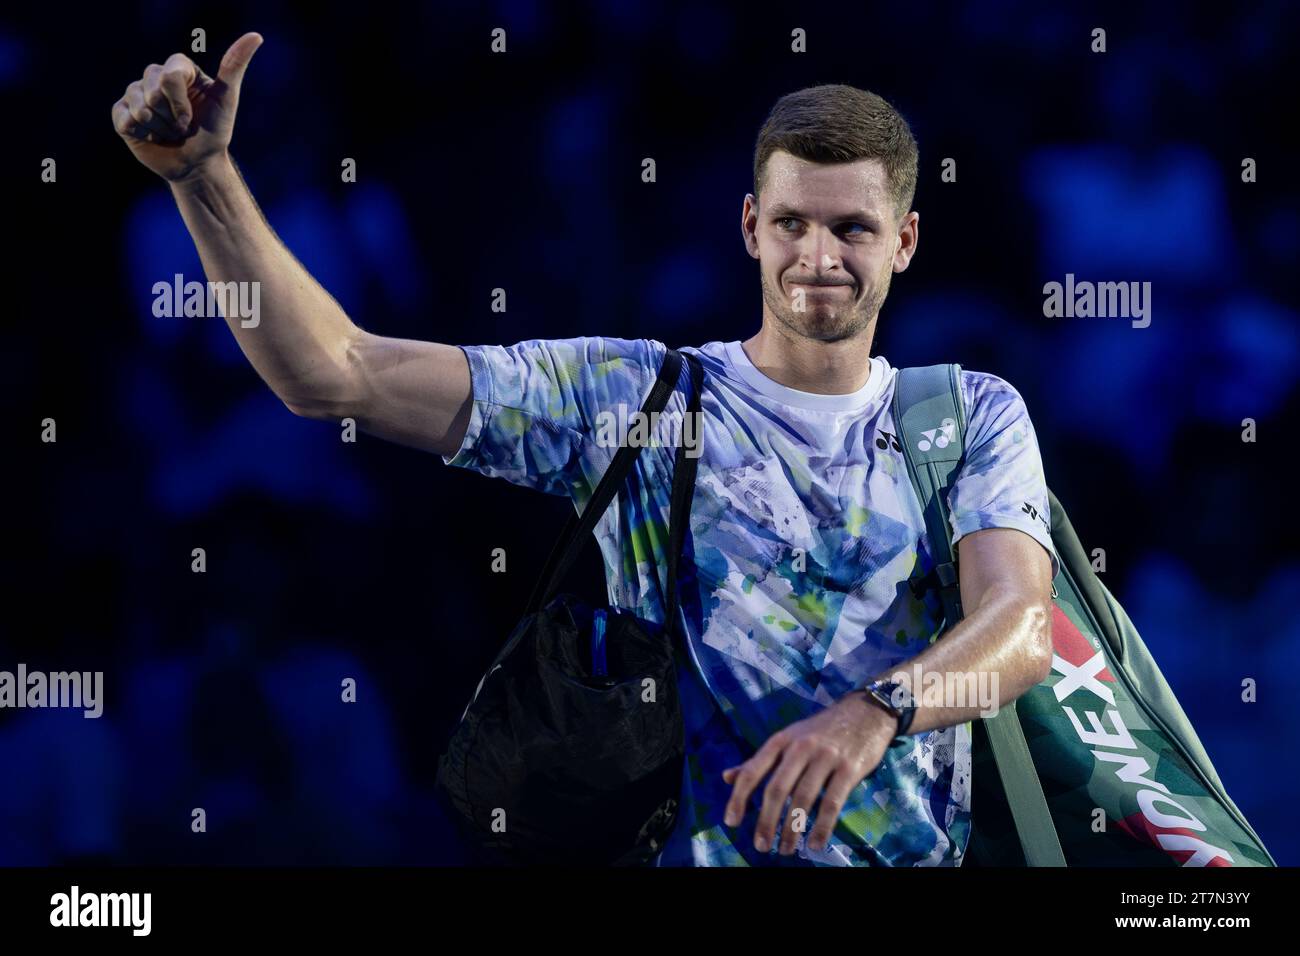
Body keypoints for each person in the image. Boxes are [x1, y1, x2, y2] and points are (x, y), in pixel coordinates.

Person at [112, 32, 1060, 866]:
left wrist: (873, 713)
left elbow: (1019, 627)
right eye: (791, 224)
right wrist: (204, 179)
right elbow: (335, 372)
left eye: (853, 228)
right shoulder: (635, 397)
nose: (818, 256)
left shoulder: (966, 414)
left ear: (905, 240)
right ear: (748, 227)